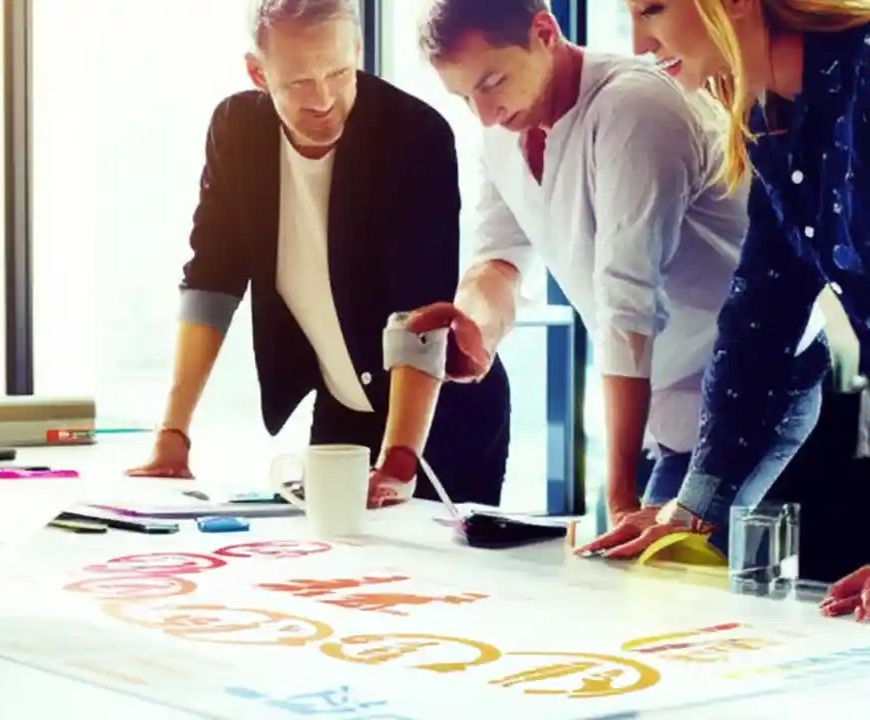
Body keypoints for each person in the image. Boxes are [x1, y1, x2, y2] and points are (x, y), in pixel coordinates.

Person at [393, 0, 770, 527]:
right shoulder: (501, 131)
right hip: (661, 405)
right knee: (629, 580)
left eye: (492, 82)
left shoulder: (634, 110)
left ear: (545, 31)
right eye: (464, 97)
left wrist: (617, 499)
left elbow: (627, 301)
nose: (484, 114)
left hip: (756, 384)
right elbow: (498, 261)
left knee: (659, 577)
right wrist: (474, 327)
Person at [126, 0, 512, 507]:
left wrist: (397, 462)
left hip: (441, 413)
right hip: (344, 407)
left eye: (337, 71)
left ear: (356, 49)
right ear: (258, 73)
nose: (324, 99)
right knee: (326, 570)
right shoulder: (237, 133)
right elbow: (210, 281)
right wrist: (171, 436)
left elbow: (420, 313)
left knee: (437, 580)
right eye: (300, 83)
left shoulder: (413, 136)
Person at [581, 0, 870, 614]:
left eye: (652, 10)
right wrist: (695, 512)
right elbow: (759, 317)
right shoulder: (767, 122)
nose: (639, 43)